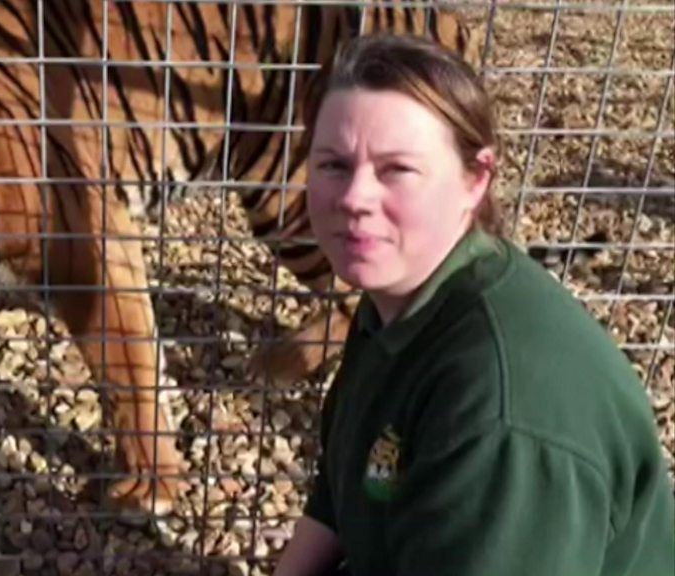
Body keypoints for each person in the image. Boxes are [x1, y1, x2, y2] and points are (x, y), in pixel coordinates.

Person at [271, 34, 675, 576]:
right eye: (333, 165)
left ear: (475, 179)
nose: (354, 198)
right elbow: (337, 500)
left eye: (397, 170)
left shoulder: (501, 410)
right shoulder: (398, 302)